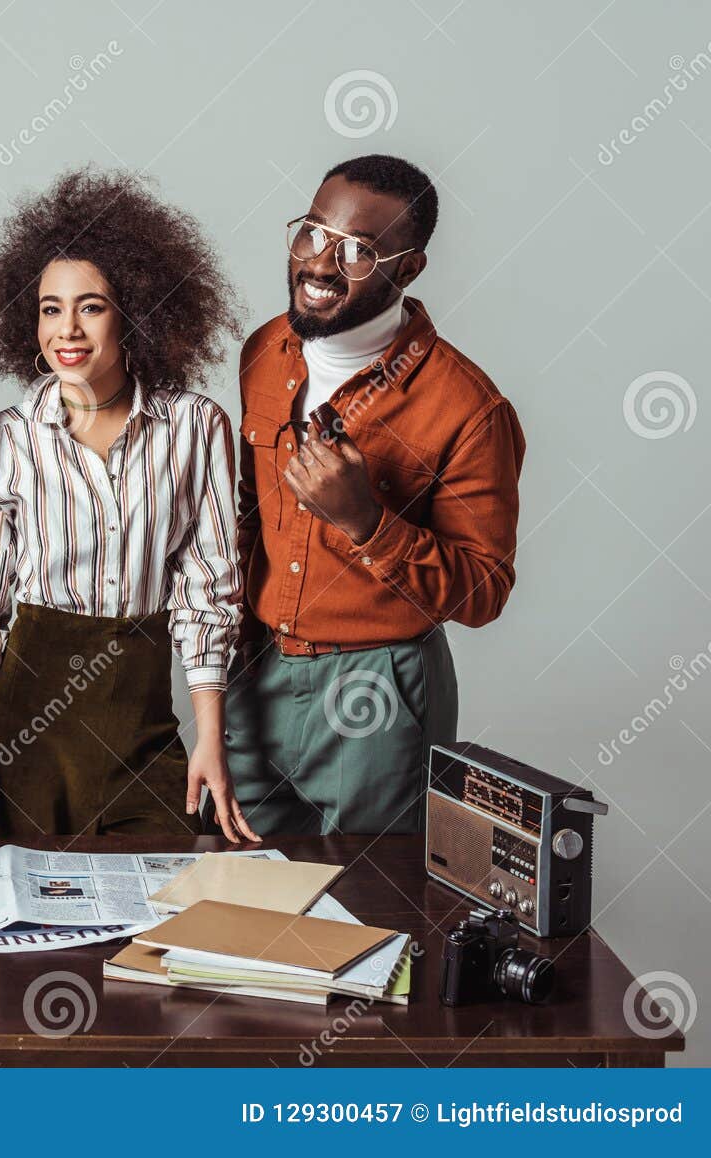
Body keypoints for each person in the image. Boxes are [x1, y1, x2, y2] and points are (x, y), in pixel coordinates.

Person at [0, 168, 259, 845]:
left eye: (92, 307)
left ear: (135, 312)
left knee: (164, 892)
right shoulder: (6, 439)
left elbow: (209, 593)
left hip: (143, 725)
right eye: (50, 308)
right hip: (23, 730)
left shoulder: (197, 427)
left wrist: (210, 739)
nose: (67, 329)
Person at [224, 154, 526, 836]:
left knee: (366, 893)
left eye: (358, 250)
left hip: (377, 685)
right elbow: (249, 513)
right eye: (312, 232)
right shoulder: (263, 351)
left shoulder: (469, 409)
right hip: (257, 667)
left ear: (409, 269)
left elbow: (485, 592)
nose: (320, 263)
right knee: (241, 881)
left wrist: (366, 521)